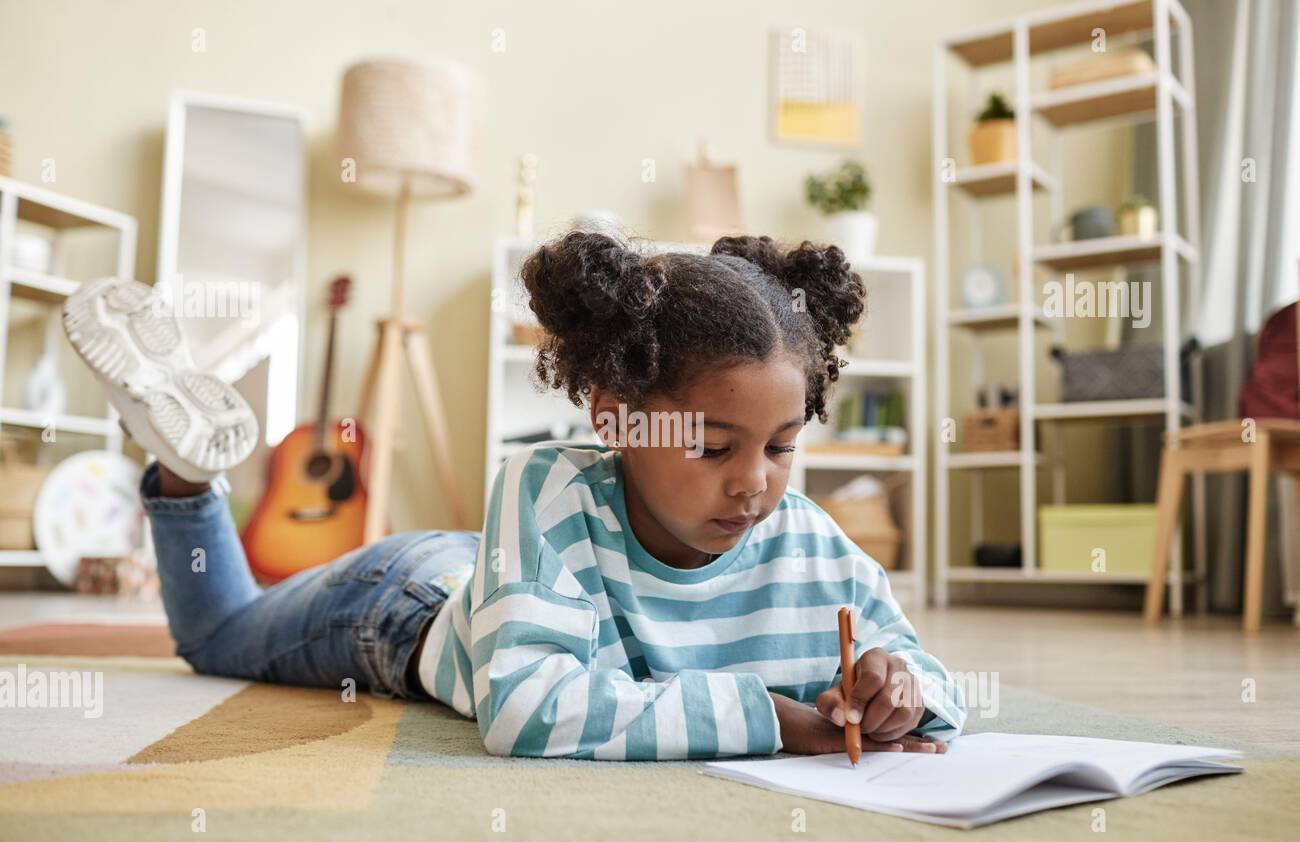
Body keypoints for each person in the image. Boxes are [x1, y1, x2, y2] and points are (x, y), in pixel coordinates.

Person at [62, 232, 966, 761]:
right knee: (217, 636)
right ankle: (184, 470)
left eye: (783, 446)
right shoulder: (545, 486)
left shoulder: (805, 538)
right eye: (713, 446)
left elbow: (926, 676)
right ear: (615, 419)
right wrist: (769, 716)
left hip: (509, 583)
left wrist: (900, 690)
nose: (755, 482)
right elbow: (526, 709)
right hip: (404, 608)